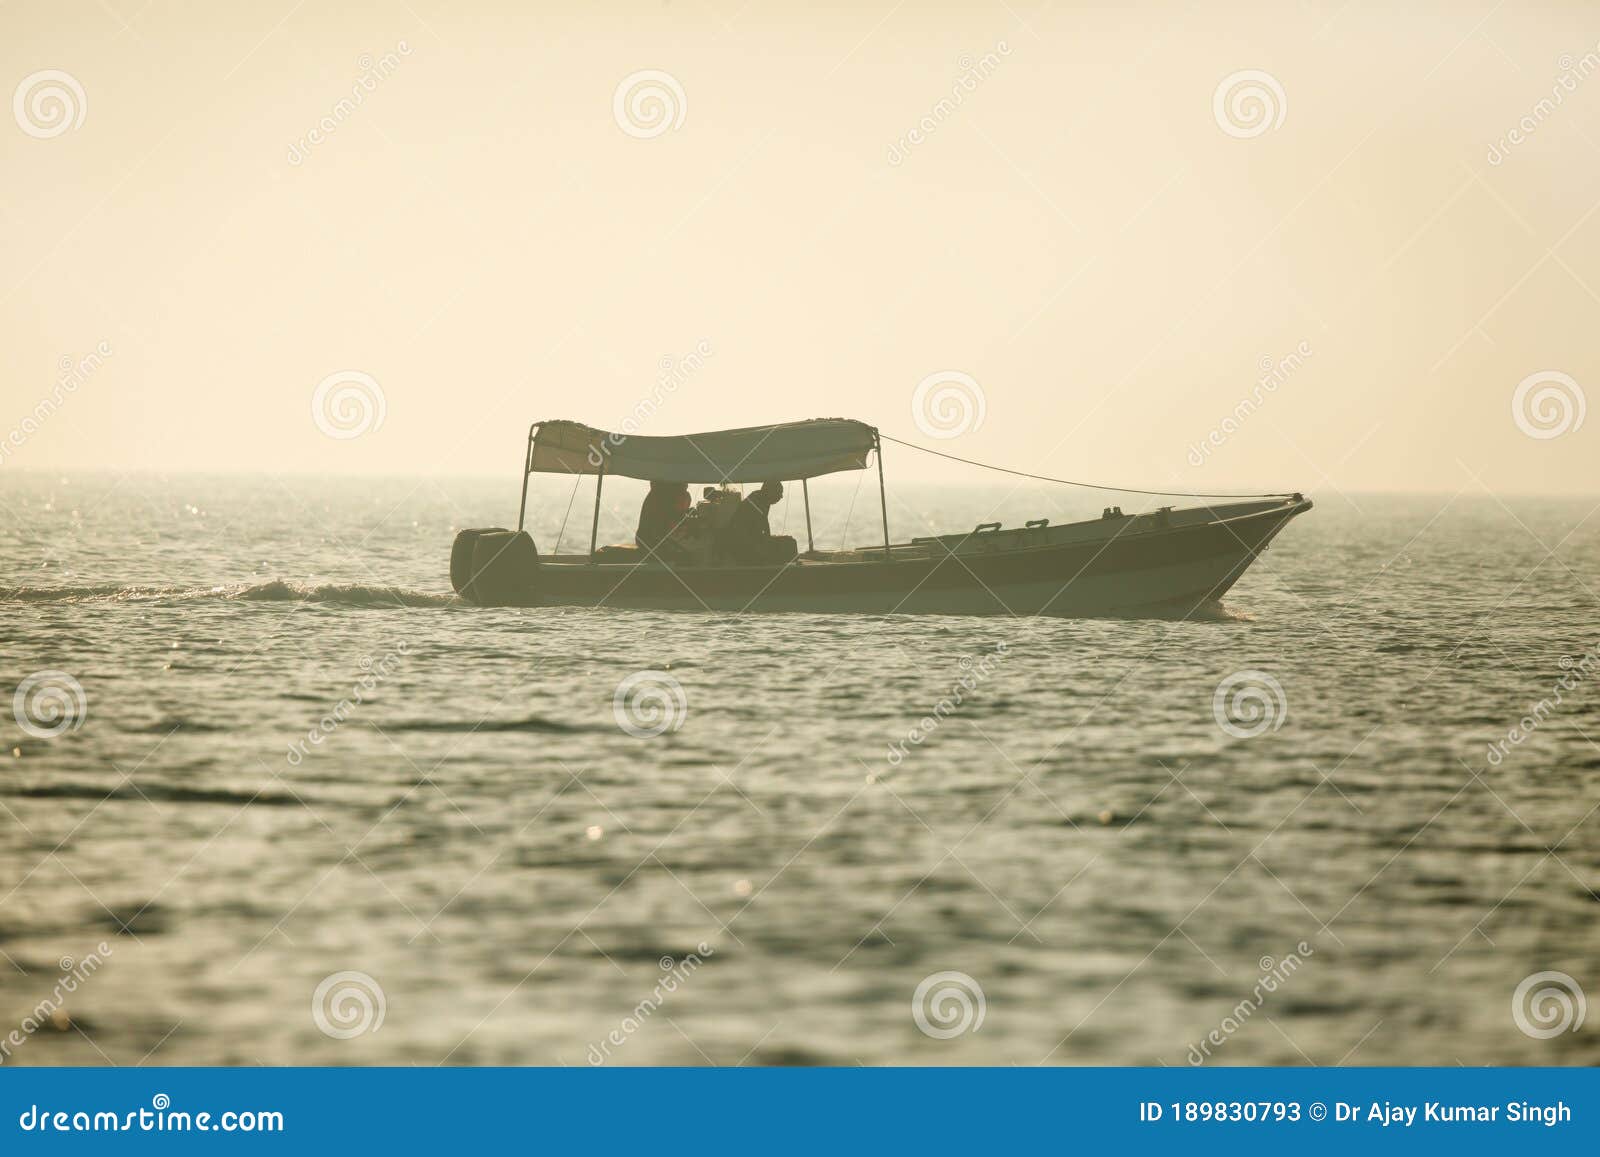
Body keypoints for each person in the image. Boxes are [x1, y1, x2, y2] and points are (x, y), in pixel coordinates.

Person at [717, 480, 798, 565]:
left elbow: (763, 527)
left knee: (788, 542)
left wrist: (768, 540)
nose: (781, 496)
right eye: (779, 492)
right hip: (741, 545)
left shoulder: (761, 499)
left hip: (747, 541)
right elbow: (750, 530)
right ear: (770, 491)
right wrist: (767, 542)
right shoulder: (756, 502)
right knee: (787, 544)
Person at [635, 480, 692, 561]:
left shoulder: (656, 494)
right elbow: (658, 535)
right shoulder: (672, 496)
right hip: (655, 546)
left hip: (649, 542)